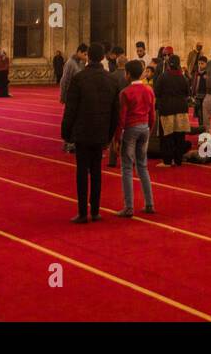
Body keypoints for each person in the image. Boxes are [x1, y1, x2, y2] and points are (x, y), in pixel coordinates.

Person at [60, 43, 120, 224]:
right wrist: (109, 136)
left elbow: (71, 109)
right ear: (103, 57)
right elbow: (115, 112)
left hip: (82, 132)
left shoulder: (80, 78)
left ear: (89, 57)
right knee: (96, 173)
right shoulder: (111, 80)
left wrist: (66, 132)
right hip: (100, 133)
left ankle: (82, 213)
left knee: (81, 173)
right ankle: (95, 211)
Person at [115, 59, 156, 217]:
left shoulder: (125, 93)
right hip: (144, 127)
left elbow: (122, 118)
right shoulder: (149, 90)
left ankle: (129, 206)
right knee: (142, 166)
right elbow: (152, 114)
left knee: (126, 167)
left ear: (128, 74)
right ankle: (149, 203)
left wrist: (117, 138)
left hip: (131, 129)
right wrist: (149, 129)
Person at [153, 53, 191, 166]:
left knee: (167, 136)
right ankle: (178, 160)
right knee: (179, 135)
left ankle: (167, 161)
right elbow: (187, 93)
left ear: (169, 64)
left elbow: (157, 92)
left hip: (166, 110)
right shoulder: (183, 77)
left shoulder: (163, 76)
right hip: (181, 110)